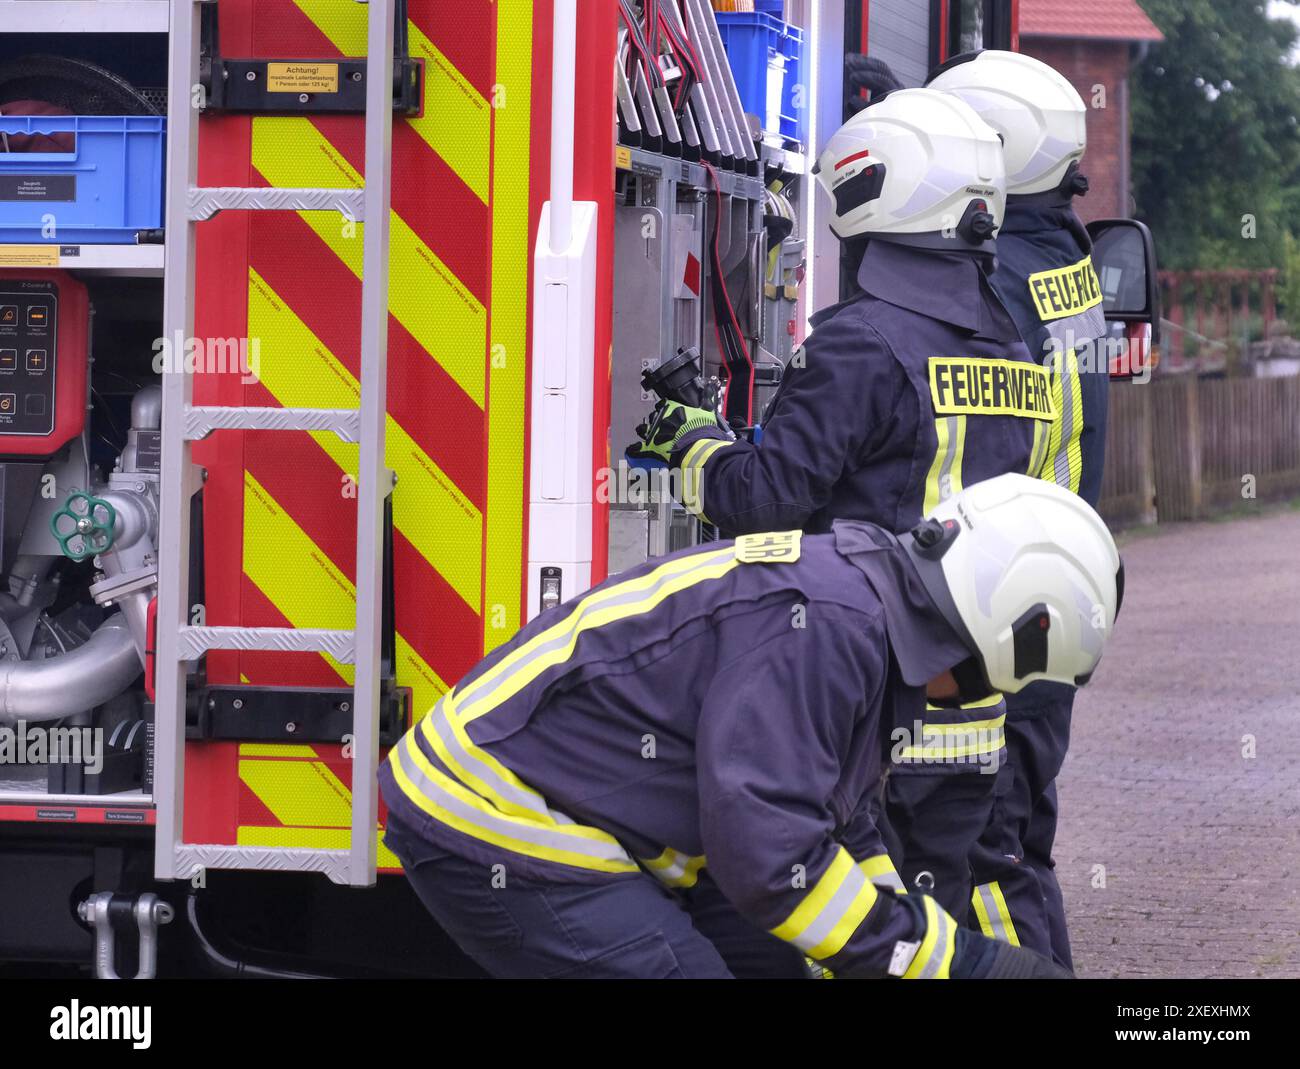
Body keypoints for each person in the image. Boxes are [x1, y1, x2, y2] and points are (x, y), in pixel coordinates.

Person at [378, 474, 1122, 979]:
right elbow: (770, 858)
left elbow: (835, 821)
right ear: (996, 639)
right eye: (988, 682)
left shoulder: (872, 605)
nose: (970, 699)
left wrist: (918, 946)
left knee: (777, 962)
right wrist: (955, 962)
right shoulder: (833, 630)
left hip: (571, 809)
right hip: (489, 812)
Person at [631, 88, 1059, 918]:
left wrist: (693, 443)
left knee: (859, 928)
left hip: (873, 713)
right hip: (970, 716)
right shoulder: (1011, 344)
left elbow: (765, 501)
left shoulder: (861, 342)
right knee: (942, 921)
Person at [928, 50, 1110, 968]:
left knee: (986, 859)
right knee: (1016, 847)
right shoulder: (1063, 259)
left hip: (996, 609)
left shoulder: (993, 281)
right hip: (1046, 600)